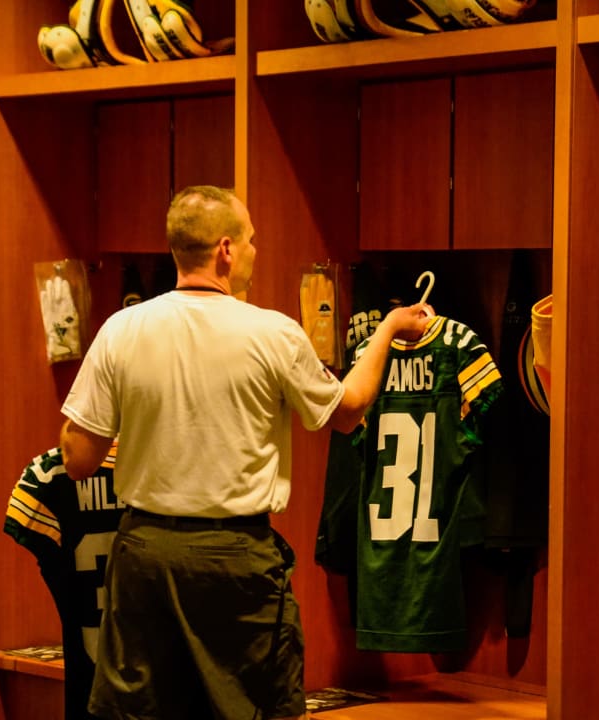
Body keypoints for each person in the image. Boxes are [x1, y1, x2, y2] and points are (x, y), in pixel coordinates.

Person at [59, 185, 432, 720]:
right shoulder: (272, 333)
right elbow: (348, 412)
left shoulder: (121, 330)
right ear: (226, 250)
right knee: (254, 709)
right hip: (233, 557)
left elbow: (78, 460)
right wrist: (390, 328)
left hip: (145, 555)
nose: (256, 250)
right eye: (252, 239)